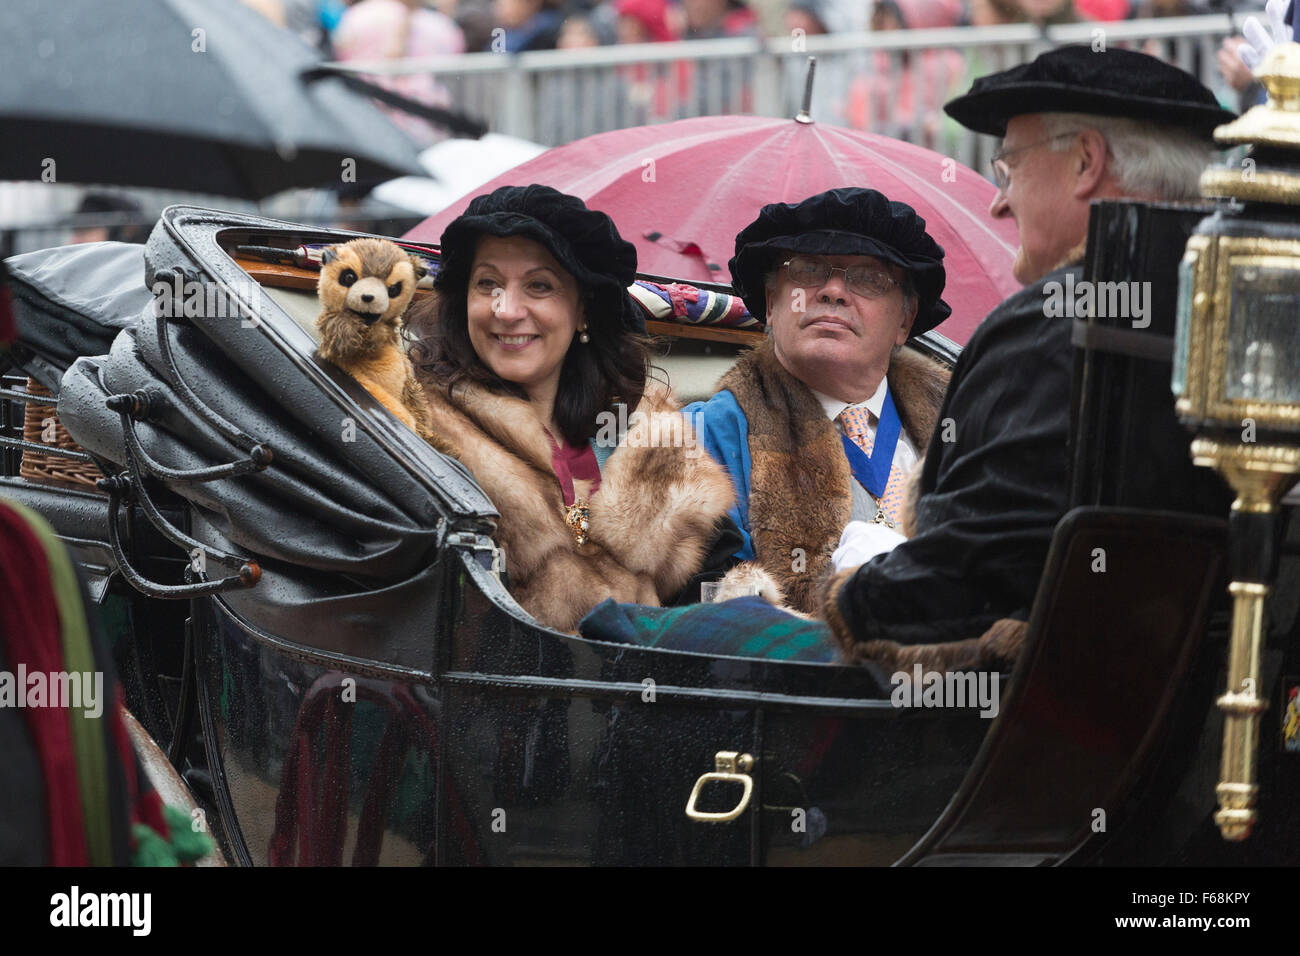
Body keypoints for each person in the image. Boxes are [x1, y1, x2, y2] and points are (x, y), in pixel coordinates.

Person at [820, 46, 1234, 662]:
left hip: (1017, 718)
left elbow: (975, 571)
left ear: (1086, 161)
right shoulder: (1241, 304)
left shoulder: (1058, 319)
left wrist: (847, 599)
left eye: (1009, 167)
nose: (998, 201)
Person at [406, 185, 737, 633]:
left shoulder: (649, 433)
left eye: (539, 286)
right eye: (487, 284)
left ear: (583, 311)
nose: (506, 310)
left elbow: (714, 591)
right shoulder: (420, 430)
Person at [683, 188, 952, 615]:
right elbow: (697, 613)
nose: (832, 291)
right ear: (772, 304)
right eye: (807, 271)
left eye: (867, 277)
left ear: (904, 319)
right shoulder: (698, 440)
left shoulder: (966, 428)